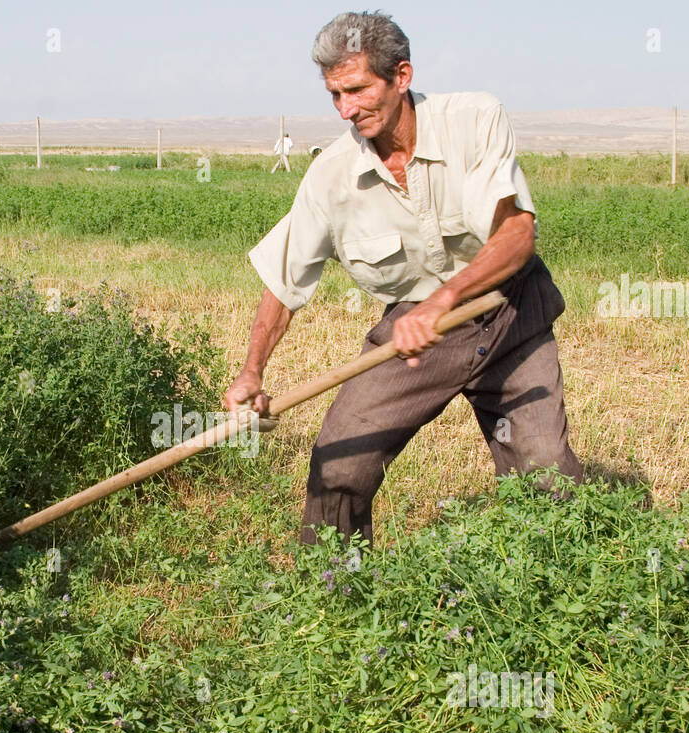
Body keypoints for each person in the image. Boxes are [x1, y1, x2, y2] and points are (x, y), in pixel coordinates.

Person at [224, 11, 584, 548]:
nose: (347, 109)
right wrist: (252, 371)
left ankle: (563, 596)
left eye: (357, 89)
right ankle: (332, 594)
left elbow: (517, 236)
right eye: (334, 96)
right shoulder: (332, 175)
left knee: (546, 473)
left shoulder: (474, 119)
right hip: (415, 334)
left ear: (402, 76)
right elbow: (284, 277)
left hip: (511, 315)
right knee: (340, 460)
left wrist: (441, 302)